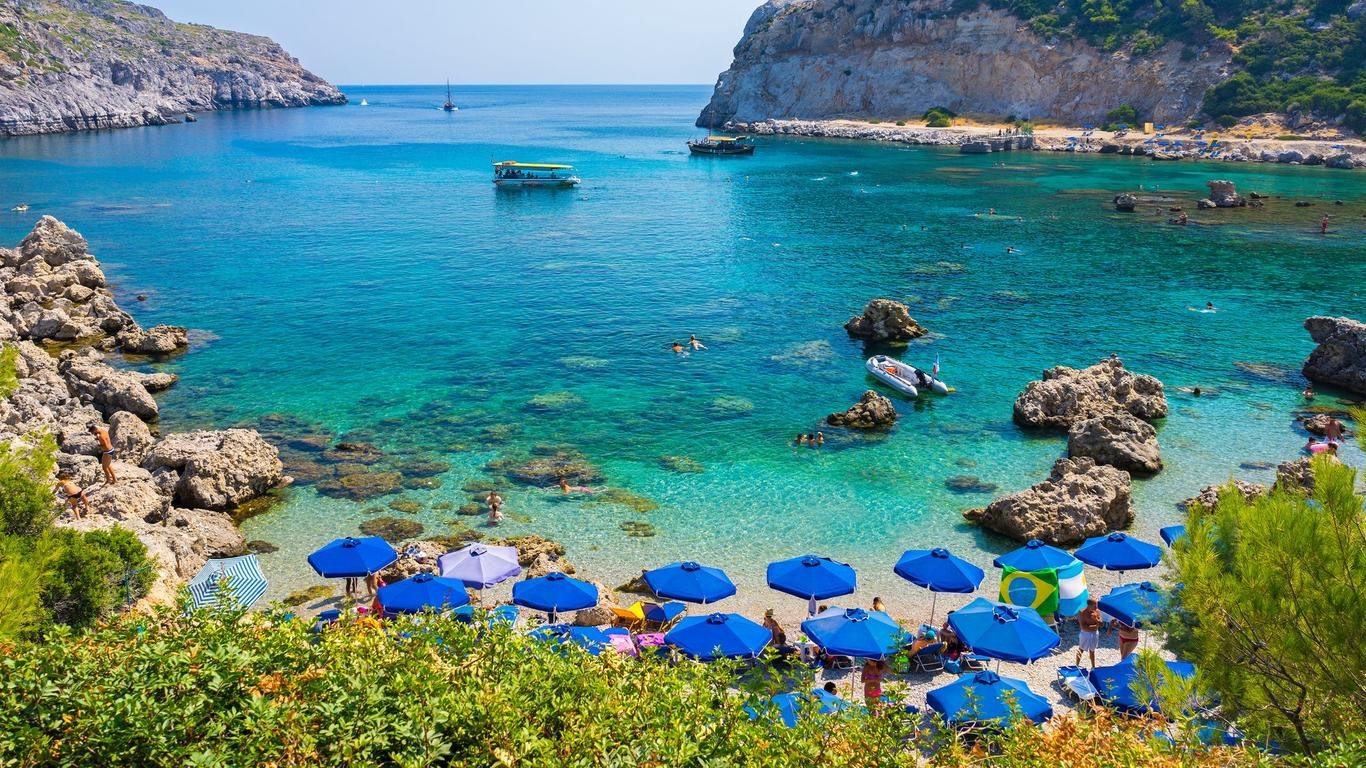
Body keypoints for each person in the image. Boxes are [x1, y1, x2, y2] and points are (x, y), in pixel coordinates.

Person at [1076, 597, 1103, 669]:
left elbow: (1101, 624)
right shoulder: (1082, 612)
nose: (1096, 607)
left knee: (1092, 651)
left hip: (1094, 633)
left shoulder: (1097, 611)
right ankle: (1076, 665)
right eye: (1094, 605)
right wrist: (1096, 626)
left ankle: (1093, 667)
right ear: (1089, 605)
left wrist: (1095, 619)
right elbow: (1083, 627)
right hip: (1085, 634)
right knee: (1081, 649)